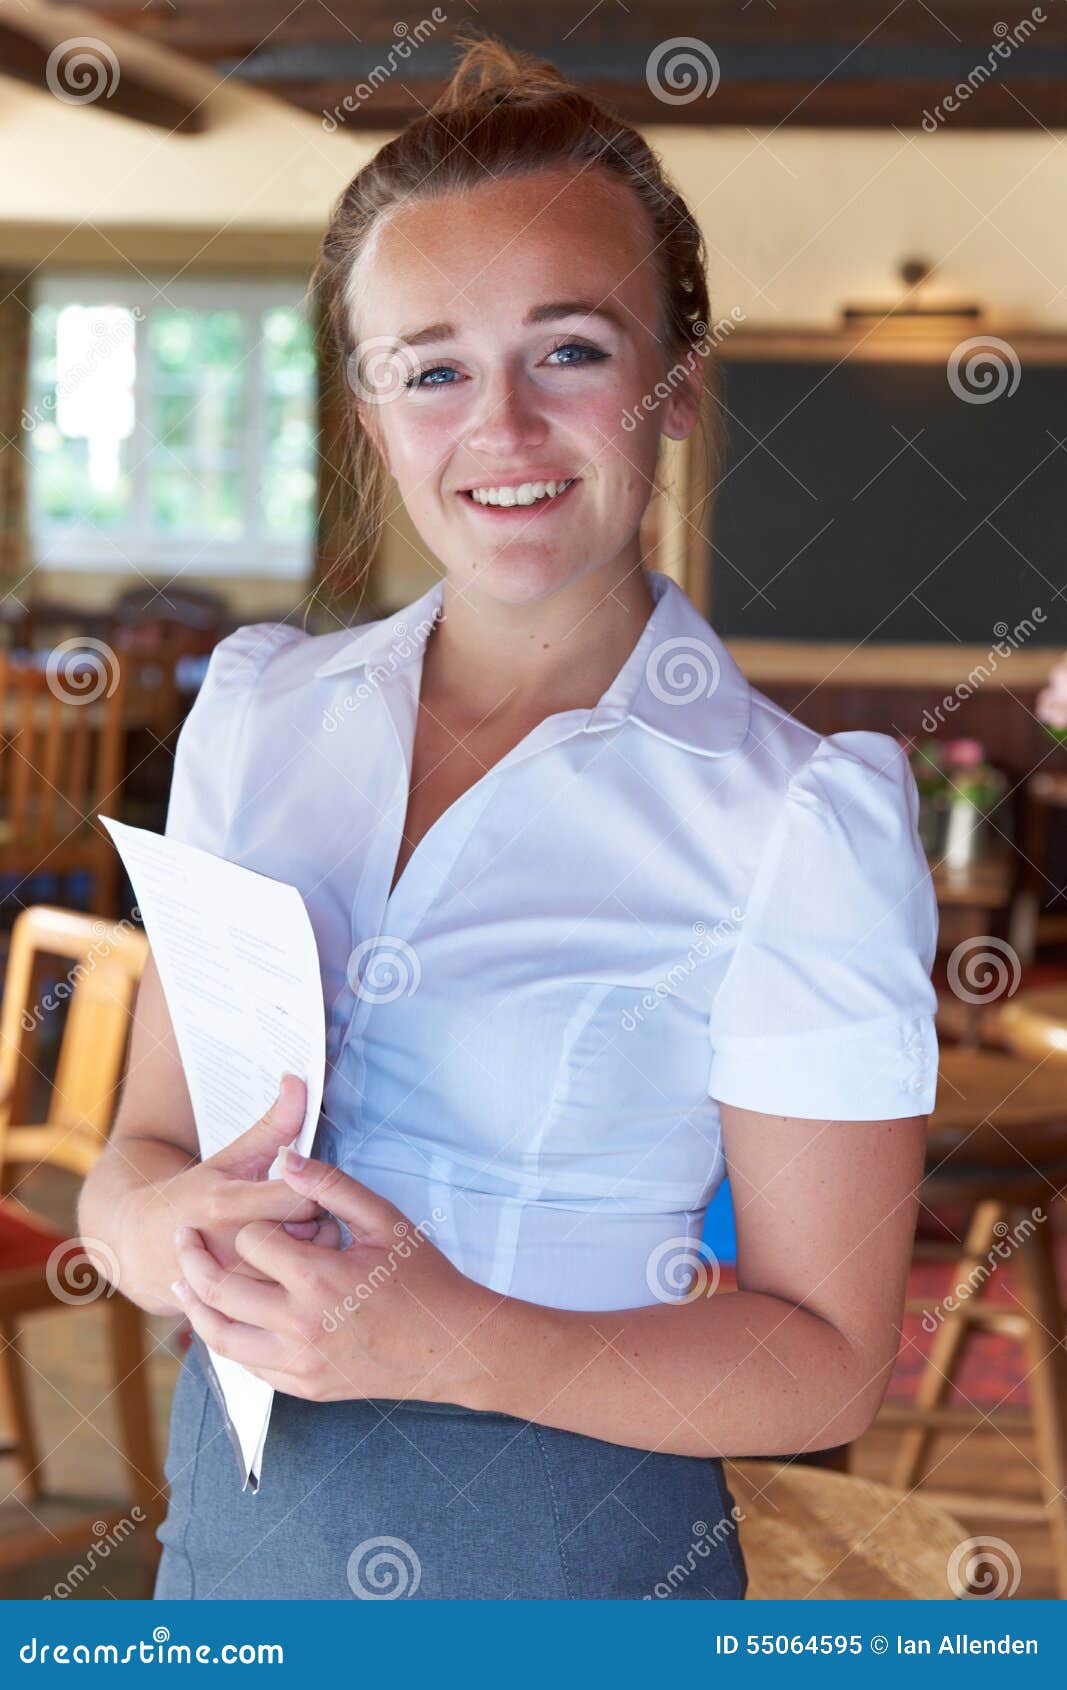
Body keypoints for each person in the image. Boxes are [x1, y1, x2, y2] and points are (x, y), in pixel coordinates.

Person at [79, 31, 939, 1602]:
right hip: (230, 1544)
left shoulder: (803, 818)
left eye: (571, 351)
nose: (504, 430)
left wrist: (462, 1339)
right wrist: (151, 1235)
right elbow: (135, 1152)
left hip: (563, 1565)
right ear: (370, 413)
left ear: (676, 386)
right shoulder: (257, 716)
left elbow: (829, 1366)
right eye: (434, 370)